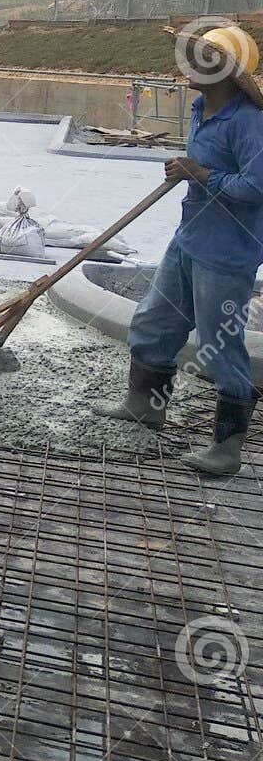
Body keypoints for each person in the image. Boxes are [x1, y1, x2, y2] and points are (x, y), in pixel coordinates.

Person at [91, 23, 263, 477]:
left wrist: (201, 173)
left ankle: (227, 449)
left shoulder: (250, 122)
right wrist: (187, 170)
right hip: (190, 237)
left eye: (203, 58)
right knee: (154, 320)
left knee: (219, 345)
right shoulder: (200, 107)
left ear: (226, 73)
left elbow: (256, 186)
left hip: (227, 252)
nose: (190, 65)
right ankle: (144, 405)